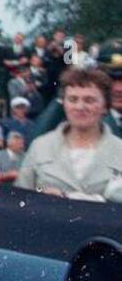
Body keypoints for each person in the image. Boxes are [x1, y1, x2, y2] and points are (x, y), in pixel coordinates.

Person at [17, 67, 122, 203]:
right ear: (64, 104)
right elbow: (20, 198)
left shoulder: (119, 150)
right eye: (72, 99)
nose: (80, 107)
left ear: (105, 106)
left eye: (89, 100)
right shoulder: (40, 146)